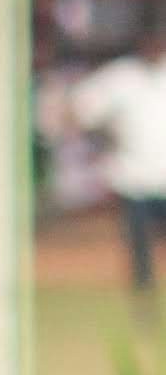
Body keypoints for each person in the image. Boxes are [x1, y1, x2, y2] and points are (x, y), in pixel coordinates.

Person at [73, 38, 166, 297]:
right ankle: (144, 300)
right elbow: (81, 109)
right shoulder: (122, 77)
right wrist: (102, 140)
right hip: (133, 180)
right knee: (140, 250)